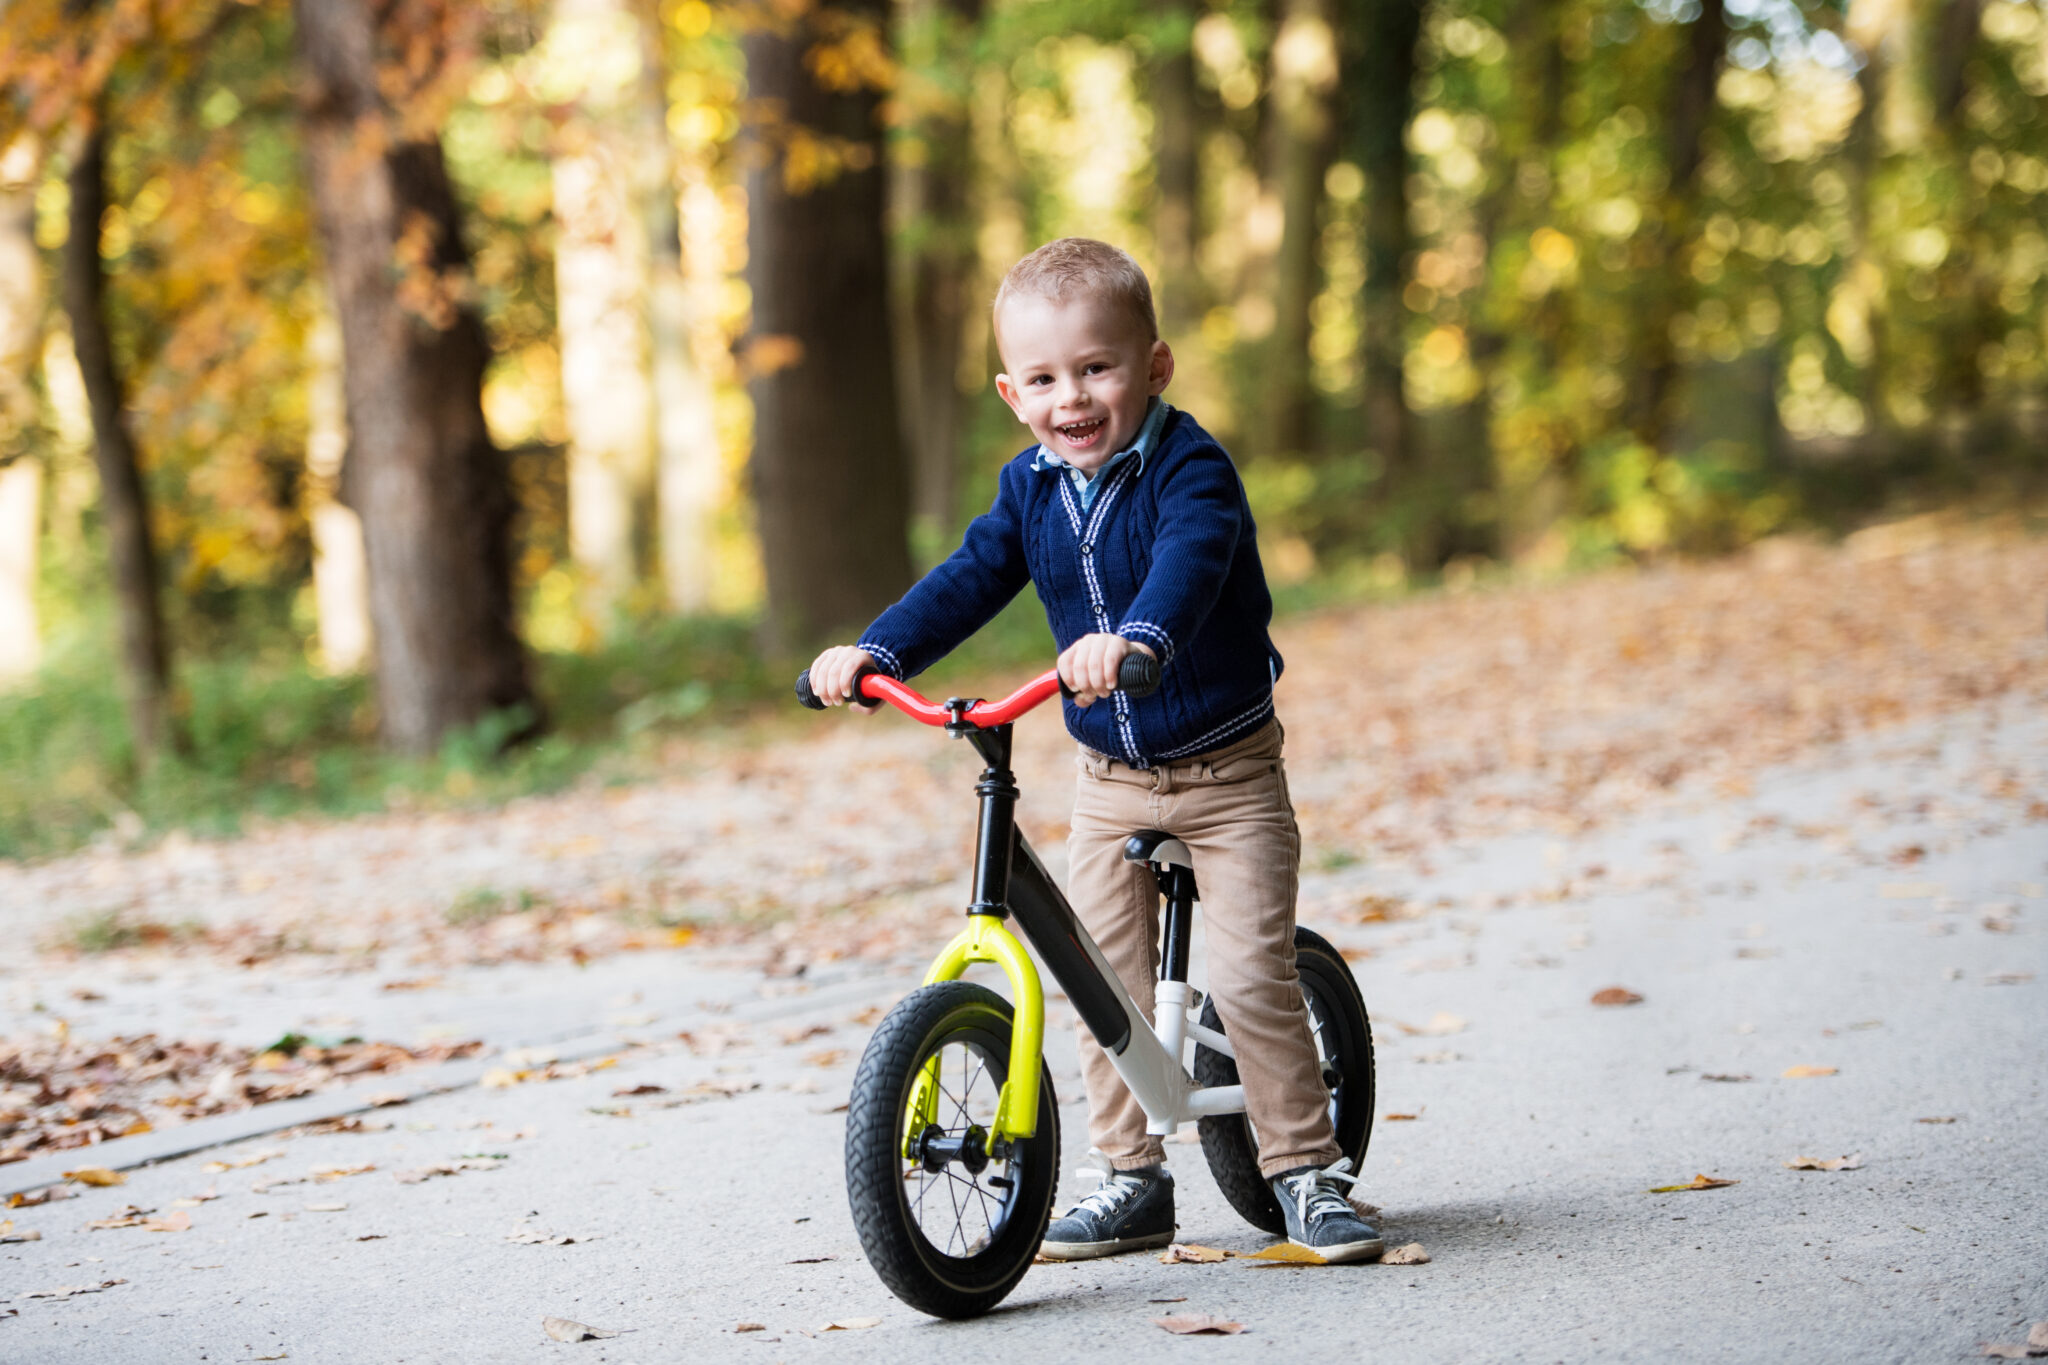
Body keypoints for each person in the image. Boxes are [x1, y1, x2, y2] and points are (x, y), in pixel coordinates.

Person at [806, 237, 1382, 1263]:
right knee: (1094, 977)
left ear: (1152, 367)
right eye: (1043, 379)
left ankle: (1303, 1171)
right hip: (1111, 781)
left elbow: (1189, 560)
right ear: (1009, 391)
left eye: (1095, 369)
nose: (1070, 397)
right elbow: (968, 577)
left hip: (1225, 772)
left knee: (1248, 976)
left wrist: (1139, 640)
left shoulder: (1189, 467)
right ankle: (1131, 1180)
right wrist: (875, 650)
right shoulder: (1028, 487)